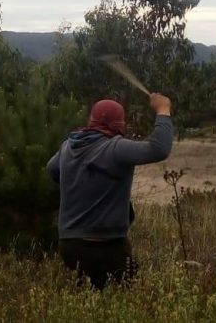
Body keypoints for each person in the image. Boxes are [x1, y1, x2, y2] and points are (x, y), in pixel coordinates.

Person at [47, 93, 173, 289]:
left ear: (91, 120)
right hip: (106, 244)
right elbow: (158, 149)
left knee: (84, 303)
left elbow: (52, 170)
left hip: (69, 244)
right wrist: (163, 111)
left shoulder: (68, 146)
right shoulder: (116, 147)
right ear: (118, 124)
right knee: (124, 299)